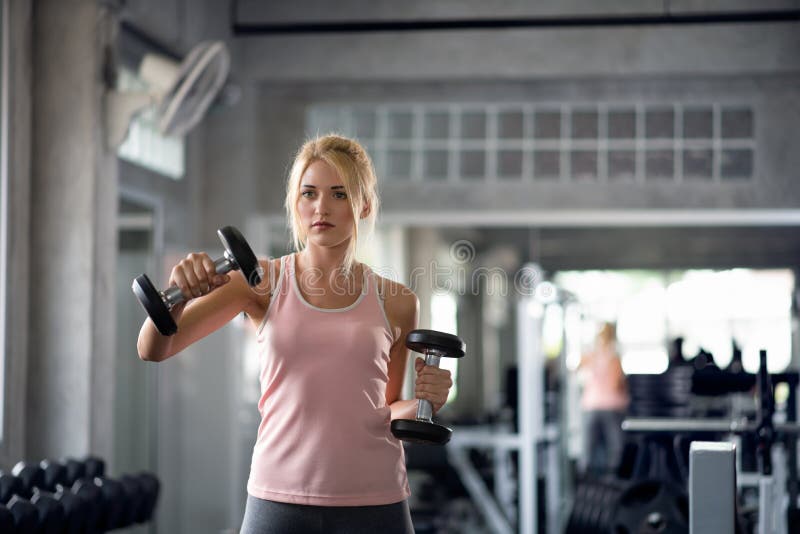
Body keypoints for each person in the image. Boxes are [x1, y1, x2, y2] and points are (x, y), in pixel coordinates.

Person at [136, 134, 454, 534]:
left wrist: (427, 401)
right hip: (278, 499)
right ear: (295, 203)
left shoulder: (397, 301)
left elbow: (384, 410)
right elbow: (153, 348)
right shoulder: (258, 281)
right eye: (309, 193)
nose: (322, 207)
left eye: (339, 194)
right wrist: (177, 296)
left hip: (375, 500)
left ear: (365, 205)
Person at [578, 322, 628, 476]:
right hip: (610, 407)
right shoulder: (613, 357)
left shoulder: (591, 355)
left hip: (592, 405)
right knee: (614, 448)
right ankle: (610, 484)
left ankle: (589, 485)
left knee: (590, 449)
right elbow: (616, 383)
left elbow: (577, 369)